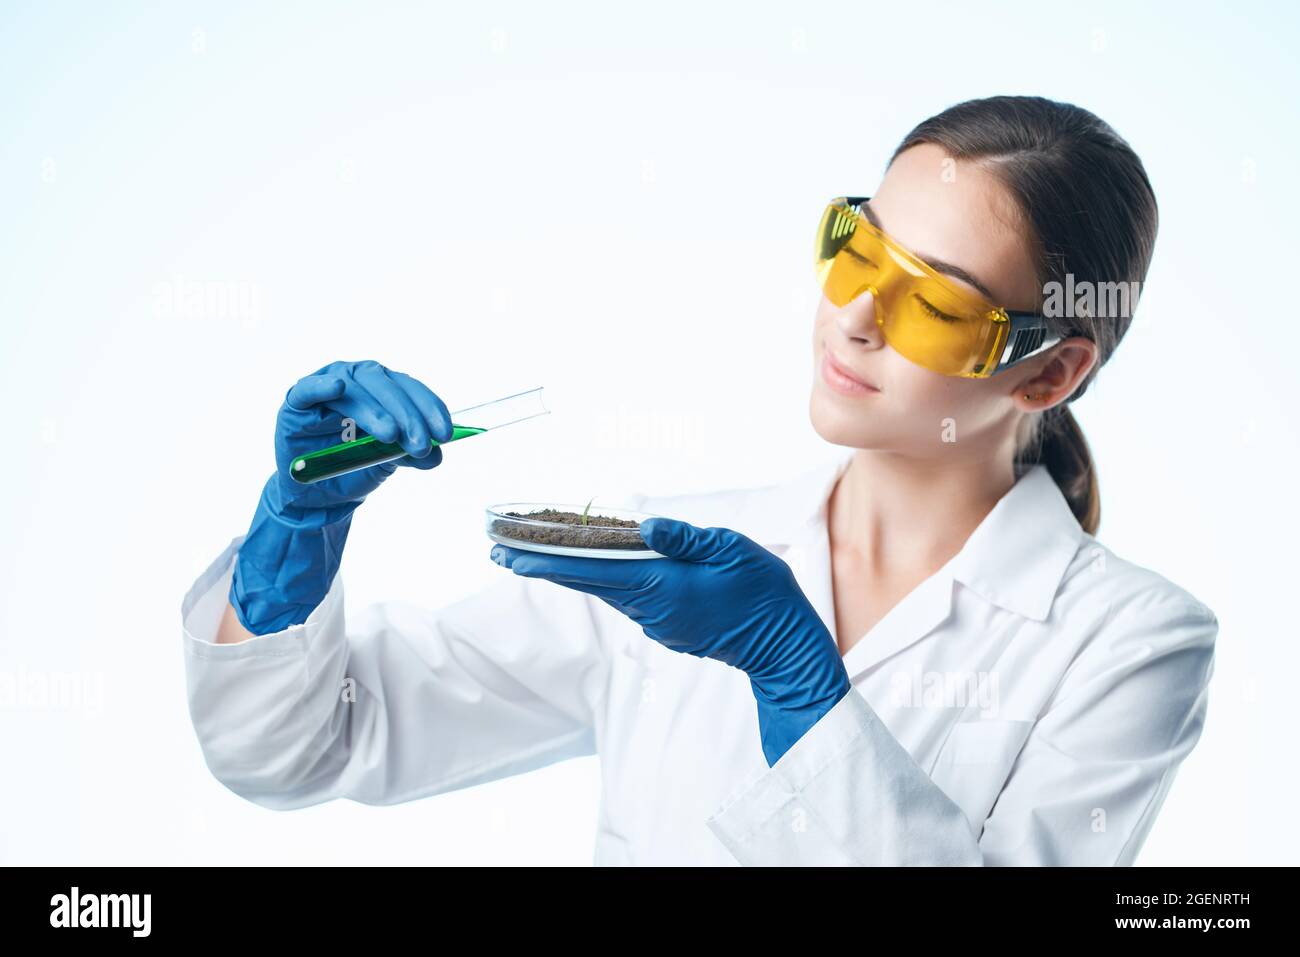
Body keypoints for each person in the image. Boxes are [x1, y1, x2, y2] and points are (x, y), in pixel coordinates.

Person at [181, 95, 1217, 866]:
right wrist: (294, 536)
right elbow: (307, 749)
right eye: (856, 252)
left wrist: (797, 685)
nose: (854, 316)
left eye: (933, 302)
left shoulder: (1132, 644)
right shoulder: (667, 558)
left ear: (1050, 369)